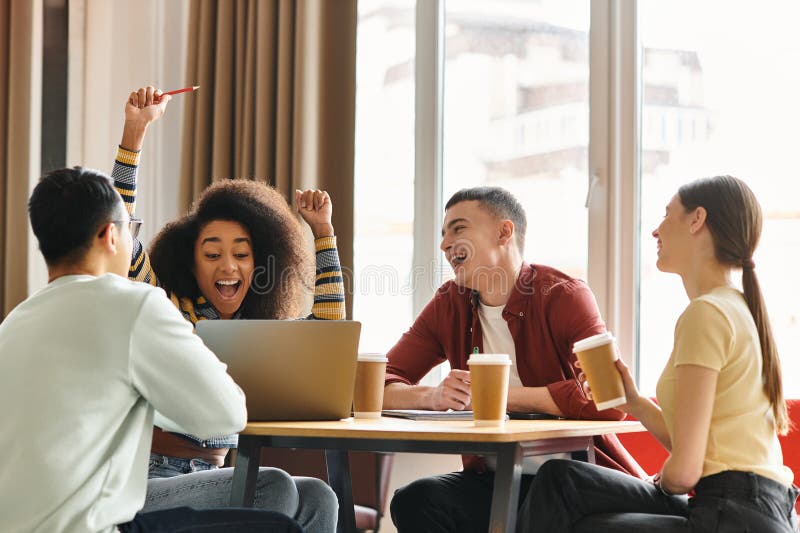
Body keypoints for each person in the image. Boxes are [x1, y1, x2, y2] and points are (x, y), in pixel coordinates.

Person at [0, 166, 301, 532]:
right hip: (91, 524)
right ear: (110, 235)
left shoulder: (14, 322)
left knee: (315, 498)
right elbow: (228, 415)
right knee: (273, 492)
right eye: (132, 229)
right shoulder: (133, 304)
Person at [114, 87, 342, 532]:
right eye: (212, 253)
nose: (228, 265)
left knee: (320, 495)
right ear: (189, 260)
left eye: (241, 253)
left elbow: (328, 331)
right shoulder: (164, 307)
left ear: (259, 264)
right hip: (149, 477)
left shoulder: (260, 330)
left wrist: (323, 234)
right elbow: (122, 231)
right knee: (272, 487)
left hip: (215, 473)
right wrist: (134, 132)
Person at [516, 175, 798, 532]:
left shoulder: (707, 313)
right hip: (751, 506)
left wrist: (662, 483)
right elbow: (697, 448)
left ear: (697, 220)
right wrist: (632, 401)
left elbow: (683, 473)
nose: (656, 231)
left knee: (582, 513)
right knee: (561, 480)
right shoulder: (736, 308)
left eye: (667, 214)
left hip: (733, 514)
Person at [383, 186, 646, 533]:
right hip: (497, 480)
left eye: (459, 229)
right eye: (443, 233)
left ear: (503, 232)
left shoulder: (564, 295)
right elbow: (377, 384)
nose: (445, 244)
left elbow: (611, 401)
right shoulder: (450, 303)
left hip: (574, 484)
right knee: (416, 500)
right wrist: (432, 396)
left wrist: (497, 395)